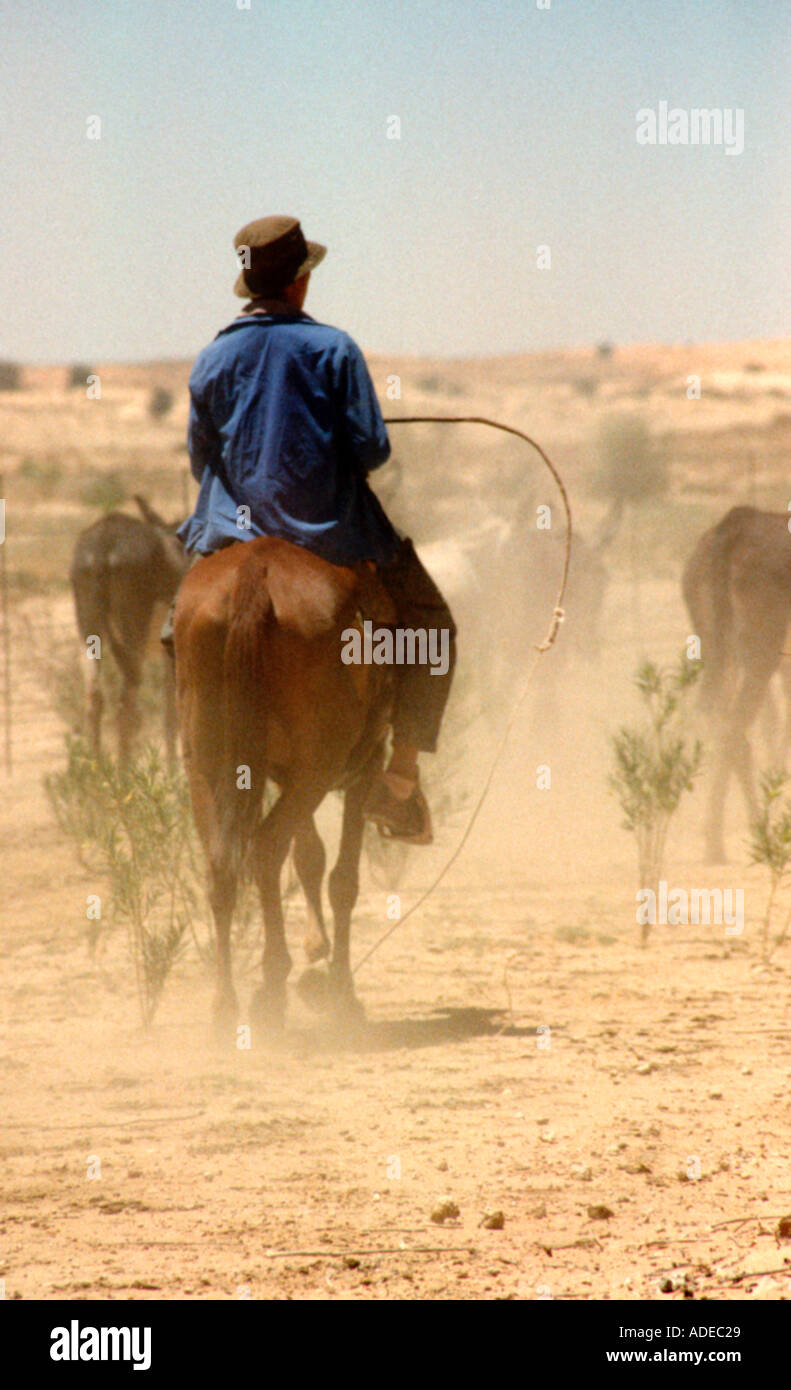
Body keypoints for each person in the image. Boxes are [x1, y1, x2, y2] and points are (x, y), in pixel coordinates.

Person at [164, 215, 456, 844]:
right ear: (300, 282)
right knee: (432, 628)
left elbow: (198, 459)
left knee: (178, 626)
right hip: (328, 533)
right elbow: (372, 451)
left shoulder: (212, 357)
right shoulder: (333, 350)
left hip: (228, 534)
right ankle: (399, 780)